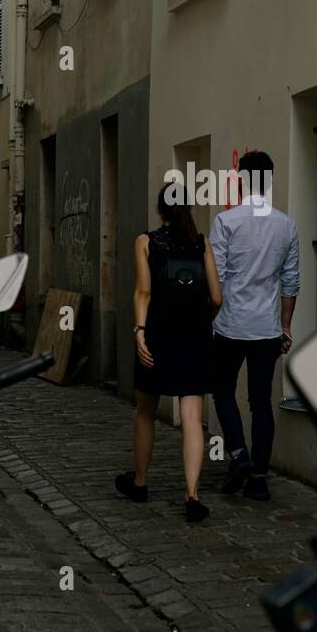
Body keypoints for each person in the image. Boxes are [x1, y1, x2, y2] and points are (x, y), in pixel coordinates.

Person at [116, 184, 222, 523]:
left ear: (161, 210)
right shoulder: (201, 243)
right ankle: (192, 495)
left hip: (158, 335)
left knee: (146, 411)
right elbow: (217, 297)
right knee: (192, 418)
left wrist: (140, 332)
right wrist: (201, 320)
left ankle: (140, 482)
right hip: (195, 337)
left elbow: (143, 291)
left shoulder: (146, 242)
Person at [209, 151, 300, 502]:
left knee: (222, 390)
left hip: (230, 323)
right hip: (266, 327)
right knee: (261, 401)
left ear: (241, 180)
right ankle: (260, 477)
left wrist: (209, 320)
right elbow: (291, 281)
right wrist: (286, 326)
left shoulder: (226, 222)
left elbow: (215, 279)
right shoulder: (286, 225)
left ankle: (239, 455)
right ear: (271, 181)